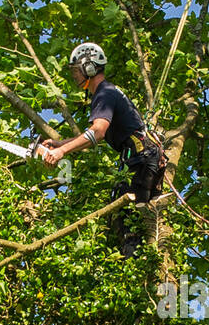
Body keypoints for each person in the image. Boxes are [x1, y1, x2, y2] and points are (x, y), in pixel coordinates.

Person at [39, 42, 166, 256]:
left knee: (124, 218)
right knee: (139, 218)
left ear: (90, 67)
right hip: (144, 158)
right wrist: (60, 143)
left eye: (76, 70)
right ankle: (149, 256)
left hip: (140, 158)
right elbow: (95, 132)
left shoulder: (104, 93)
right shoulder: (109, 92)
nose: (74, 76)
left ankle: (137, 263)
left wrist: (62, 152)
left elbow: (97, 132)